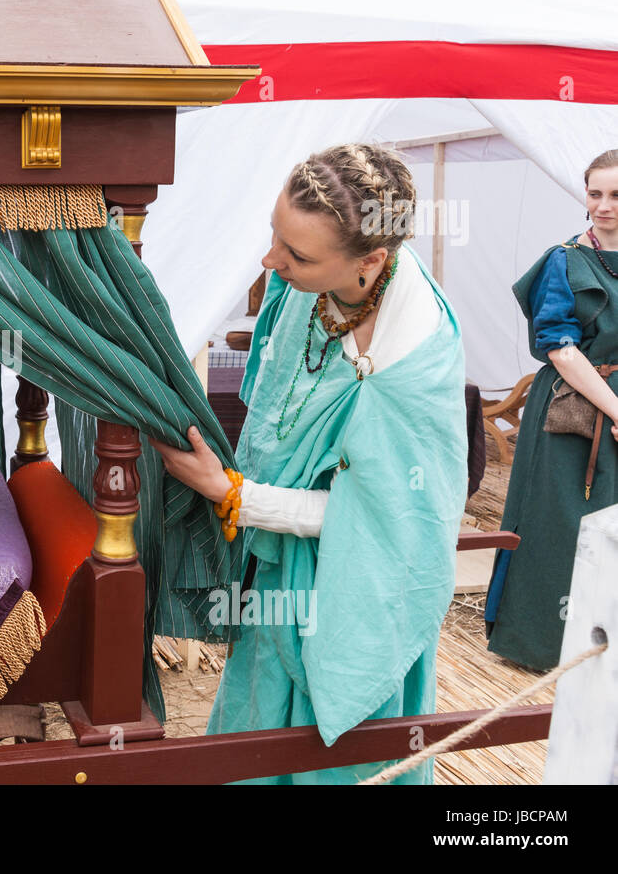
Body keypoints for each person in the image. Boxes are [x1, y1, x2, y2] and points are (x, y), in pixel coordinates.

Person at [150, 143, 468, 784]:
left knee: (331, 761)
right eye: (274, 235)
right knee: (258, 736)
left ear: (370, 261)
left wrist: (234, 493)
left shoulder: (410, 366)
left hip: (353, 593)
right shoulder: (310, 286)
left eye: (296, 255)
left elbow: (388, 523)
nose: (270, 262)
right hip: (277, 571)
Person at [485, 149, 618, 670]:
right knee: (562, 522)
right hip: (571, 407)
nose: (604, 205)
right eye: (595, 193)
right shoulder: (563, 261)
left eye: (617, 195)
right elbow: (561, 350)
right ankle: (543, 644)